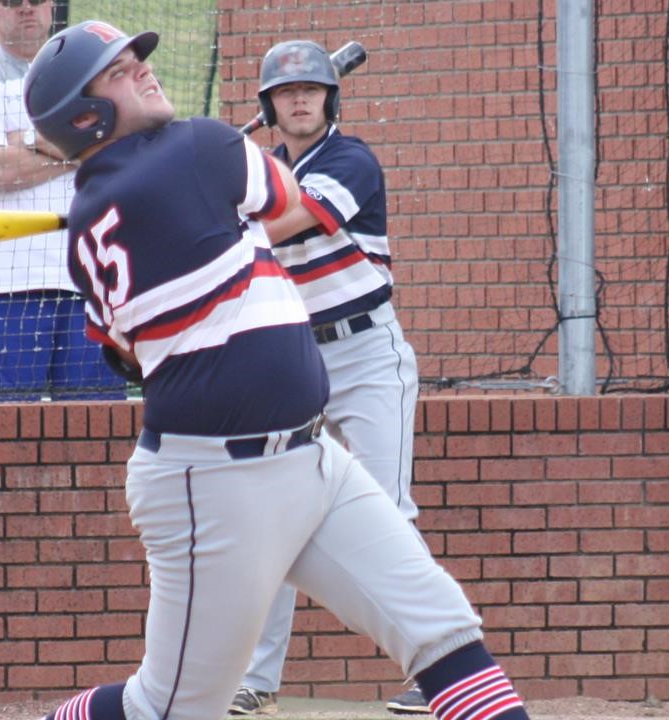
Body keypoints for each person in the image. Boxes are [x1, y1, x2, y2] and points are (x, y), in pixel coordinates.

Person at [24, 20, 536, 720]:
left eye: (136, 57)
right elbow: (288, 206)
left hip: (312, 458)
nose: (143, 68)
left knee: (444, 633)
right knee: (168, 707)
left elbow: (127, 351)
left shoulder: (87, 230)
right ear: (84, 115)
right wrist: (217, 189)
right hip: (215, 480)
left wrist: (199, 206)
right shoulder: (203, 145)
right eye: (117, 71)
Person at [228, 40, 427, 717]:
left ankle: (436, 671)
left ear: (330, 97)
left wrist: (209, 207)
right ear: (269, 107)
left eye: (311, 89)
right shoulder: (264, 171)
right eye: (287, 93)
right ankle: (255, 682)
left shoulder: (349, 160)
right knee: (273, 514)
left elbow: (288, 222)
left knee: (388, 512)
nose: (301, 99)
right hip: (295, 361)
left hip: (367, 355)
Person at [0, 0, 124, 401]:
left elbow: (119, 146)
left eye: (36, 0)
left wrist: (26, 143)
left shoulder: (95, 76)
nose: (25, 8)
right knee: (0, 427)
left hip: (92, 279)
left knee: (93, 428)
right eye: (11, 1)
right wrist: (79, 146)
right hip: (8, 282)